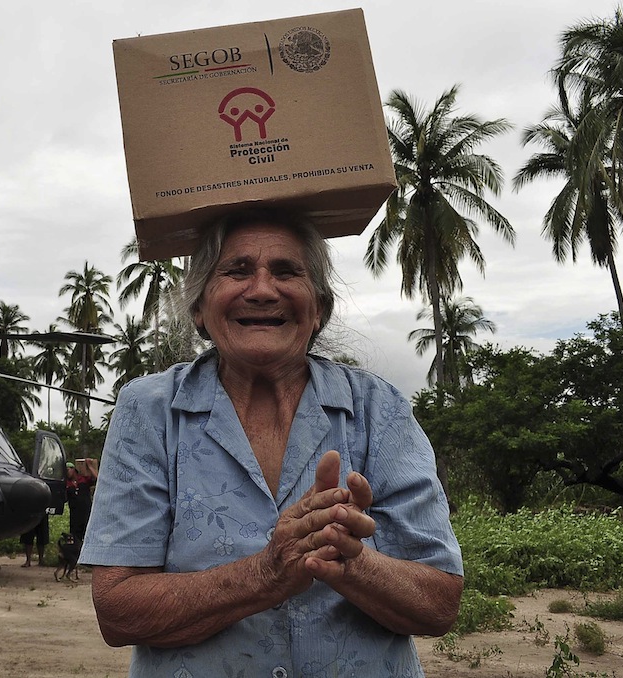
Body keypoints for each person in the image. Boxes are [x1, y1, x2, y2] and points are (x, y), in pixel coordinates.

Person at [79, 208, 464, 676]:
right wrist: (265, 574)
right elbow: (118, 611)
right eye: (237, 270)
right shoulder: (149, 411)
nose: (262, 290)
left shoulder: (379, 409)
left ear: (318, 307)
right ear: (200, 306)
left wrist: (350, 561)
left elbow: (439, 603)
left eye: (286, 271)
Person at [65, 460, 97, 542]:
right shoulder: (66, 484)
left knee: (89, 533)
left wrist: (89, 466)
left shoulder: (83, 479)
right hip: (75, 515)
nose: (67, 472)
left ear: (73, 469)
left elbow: (97, 478)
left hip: (87, 512)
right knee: (76, 537)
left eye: (68, 470)